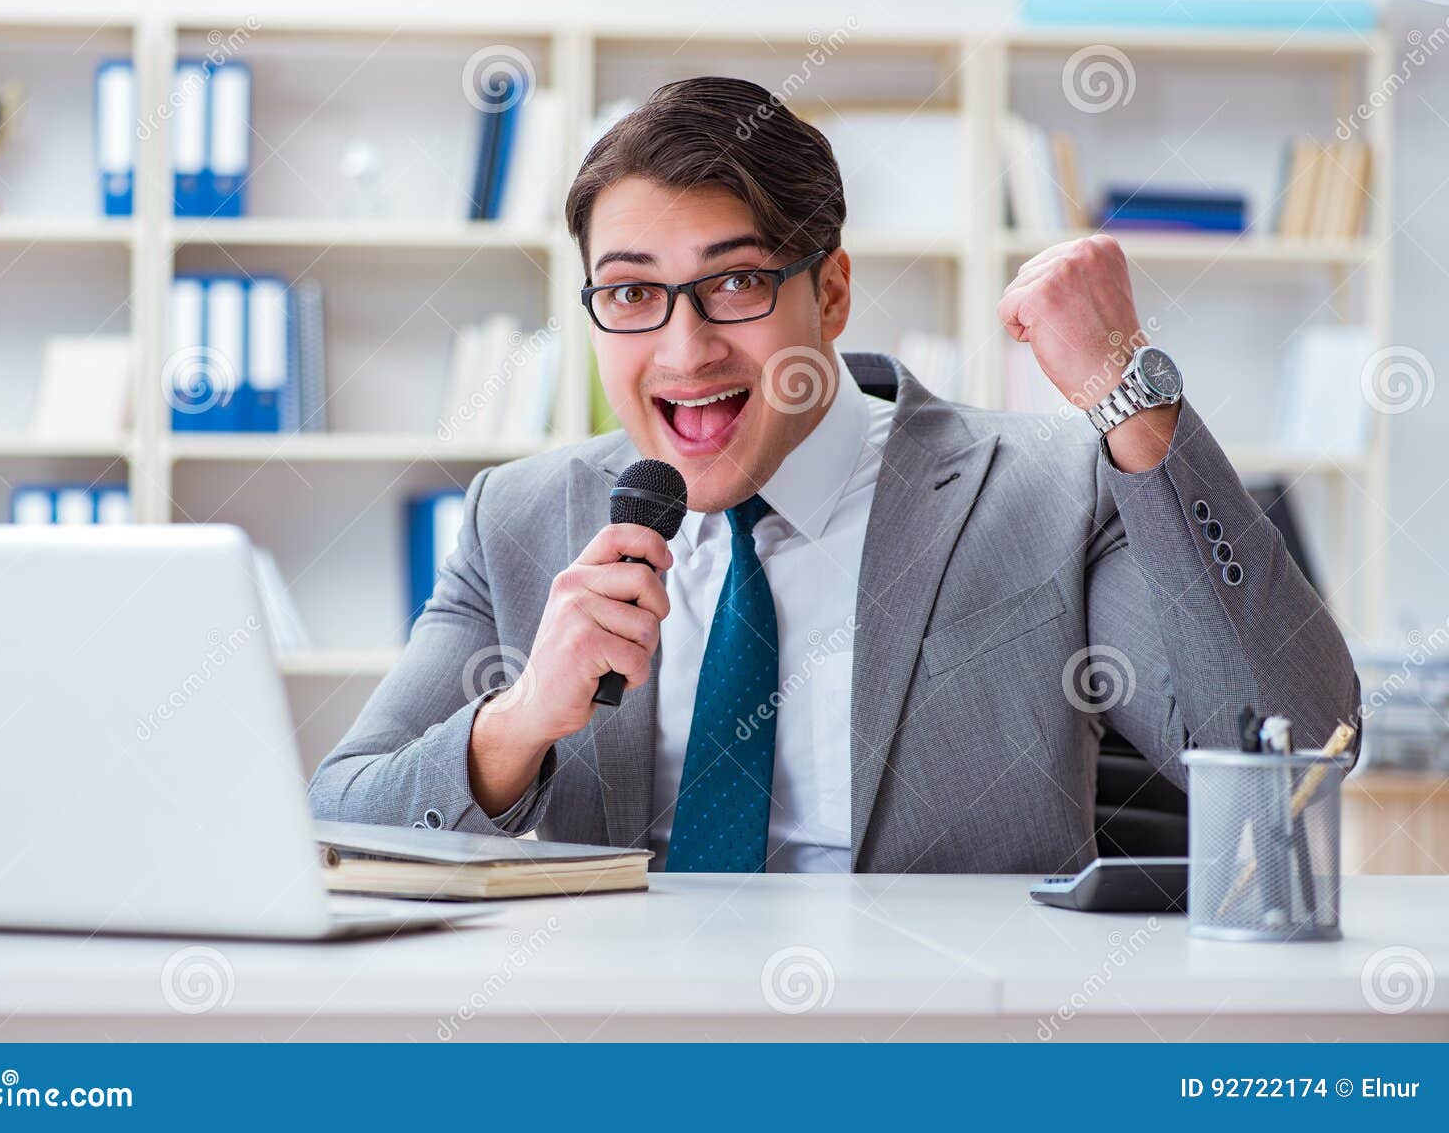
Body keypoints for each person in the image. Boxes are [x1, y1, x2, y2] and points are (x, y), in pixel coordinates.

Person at [309, 77, 1359, 874]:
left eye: (736, 283)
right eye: (631, 296)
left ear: (834, 294)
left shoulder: (1047, 489)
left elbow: (1292, 754)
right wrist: (520, 720)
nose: (683, 350)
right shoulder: (525, 515)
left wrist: (1131, 390)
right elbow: (343, 824)